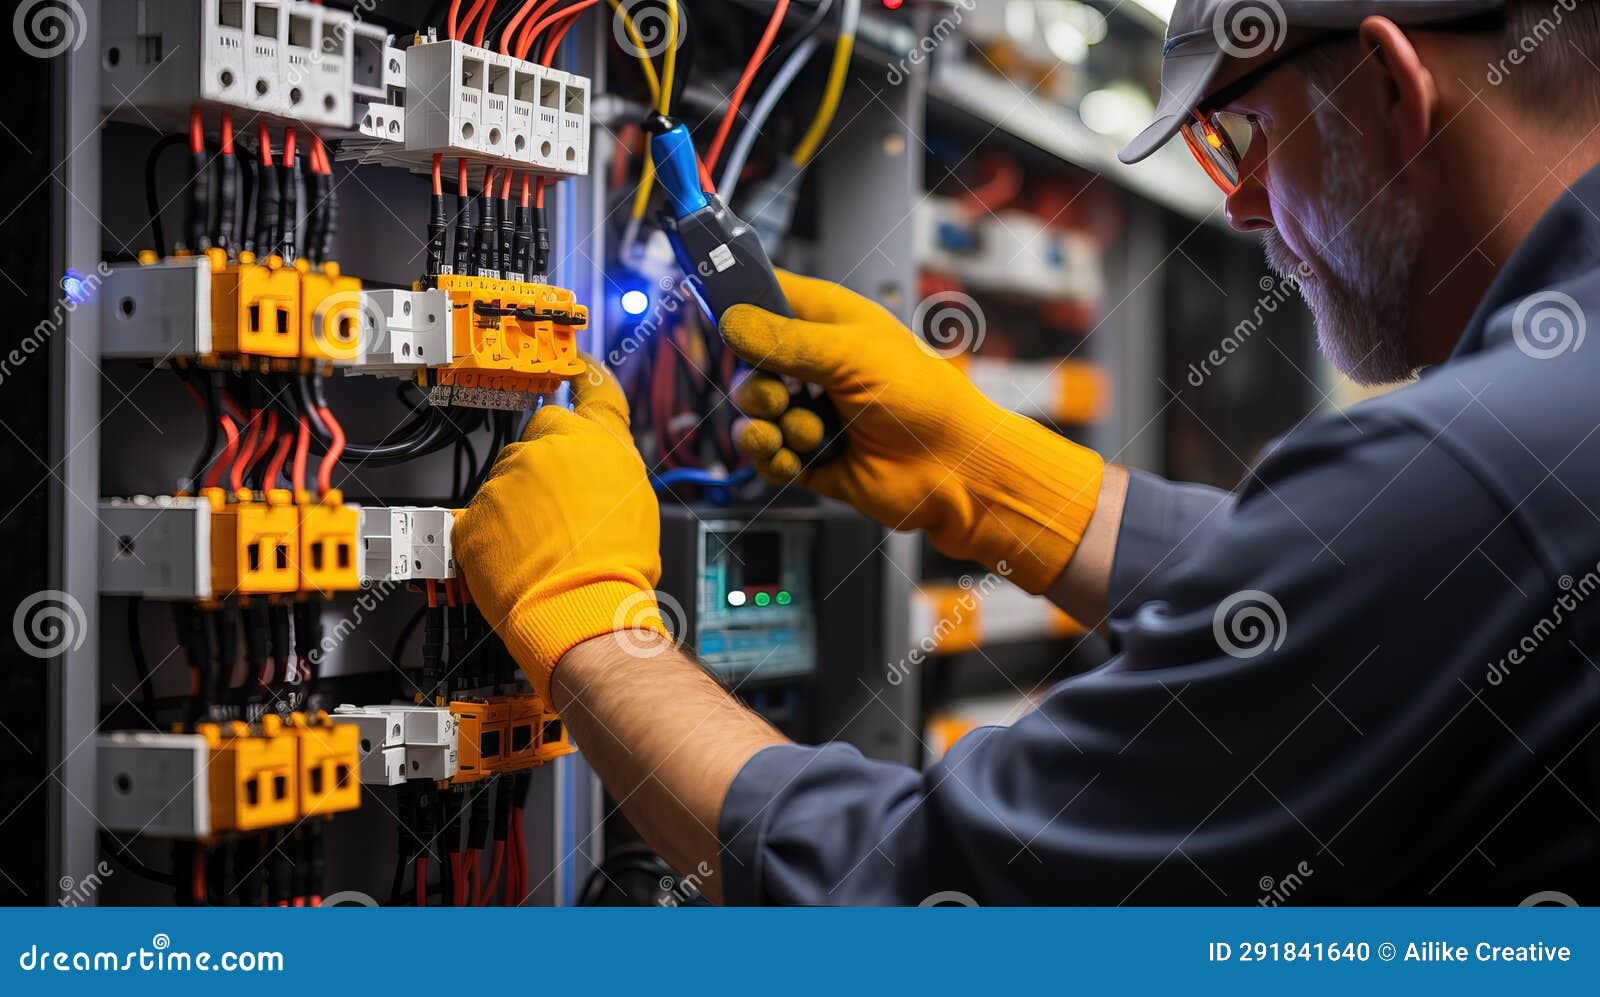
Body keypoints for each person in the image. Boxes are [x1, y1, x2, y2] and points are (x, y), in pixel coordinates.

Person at [456, 0, 1600, 904]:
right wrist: (999, 480)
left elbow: (931, 903)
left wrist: (592, 623)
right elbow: (1385, 604)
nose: (1246, 206)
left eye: (1244, 135)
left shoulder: (1483, 470)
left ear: (1394, 86)